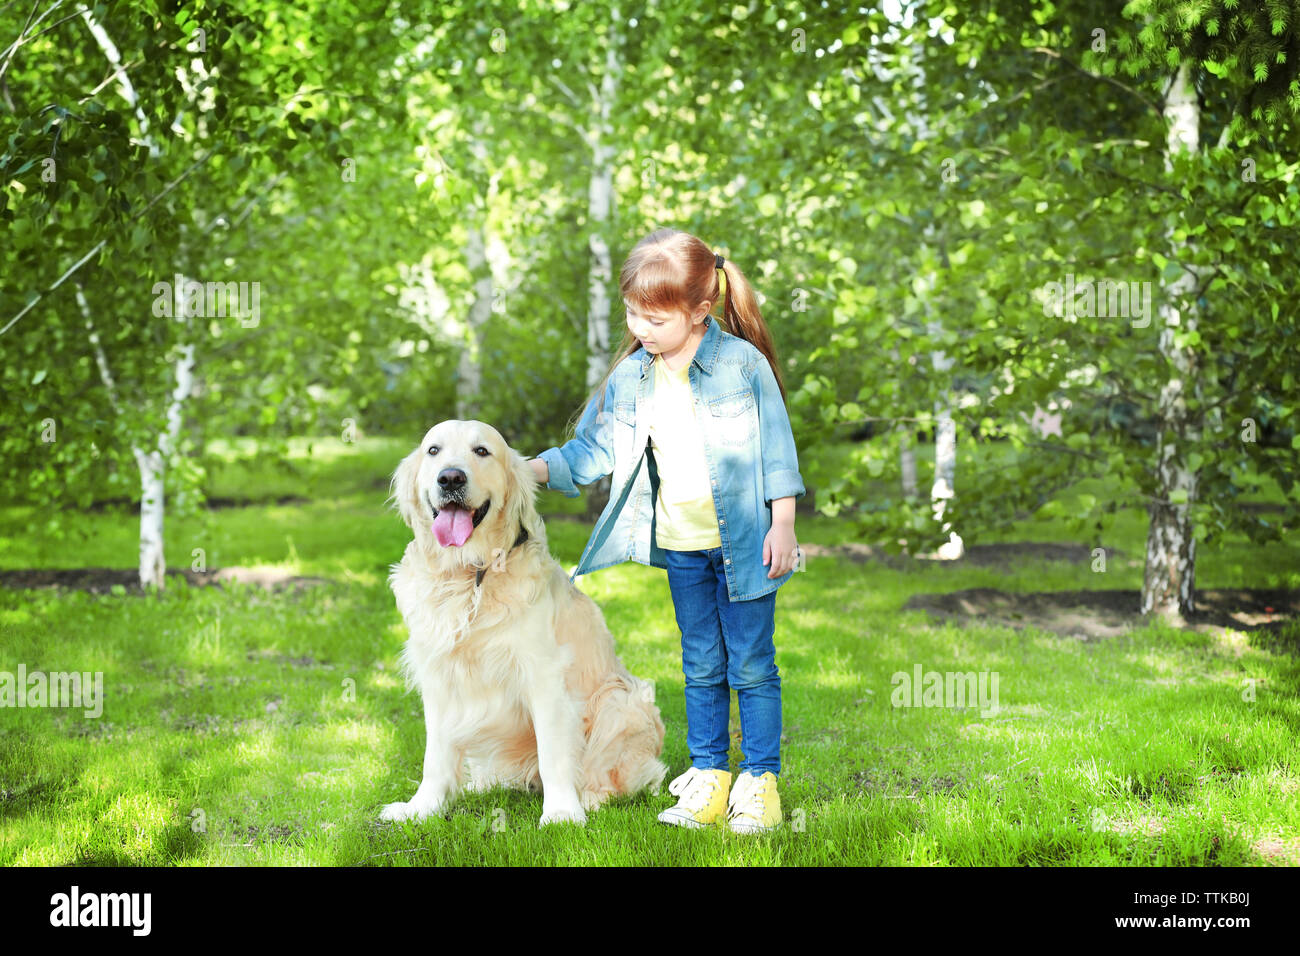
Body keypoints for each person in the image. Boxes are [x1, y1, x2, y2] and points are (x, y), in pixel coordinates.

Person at [528, 227, 805, 834]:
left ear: (700, 310)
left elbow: (778, 452)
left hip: (748, 545)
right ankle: (708, 777)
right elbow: (594, 449)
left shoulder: (740, 365)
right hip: (684, 548)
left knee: (753, 664)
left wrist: (783, 525)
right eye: (632, 313)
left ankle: (760, 782)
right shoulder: (634, 378)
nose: (640, 328)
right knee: (701, 663)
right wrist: (537, 468)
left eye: (654, 317)